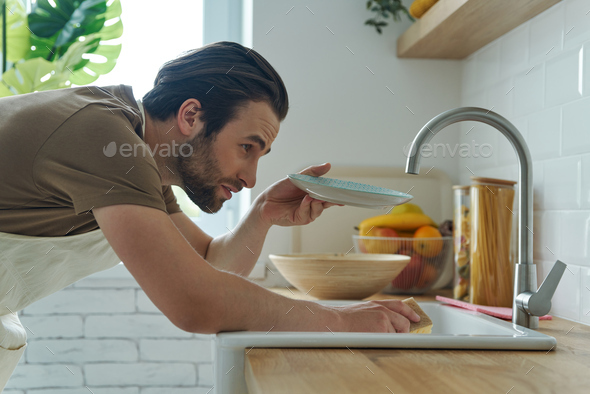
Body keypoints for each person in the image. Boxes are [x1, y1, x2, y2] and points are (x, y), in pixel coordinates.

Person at [0, 41, 419, 389]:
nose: (251, 177)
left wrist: (263, 215)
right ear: (191, 116)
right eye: (247, 147)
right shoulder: (102, 137)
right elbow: (194, 302)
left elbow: (212, 266)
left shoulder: (140, 157)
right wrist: (338, 322)